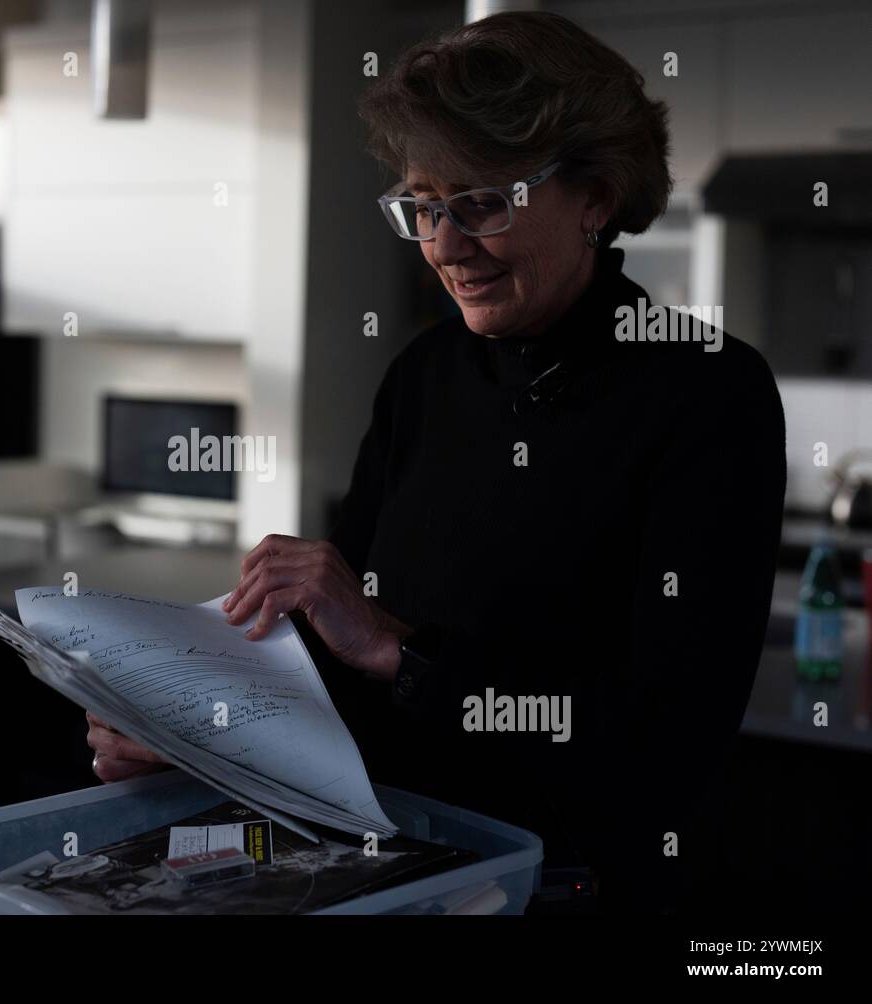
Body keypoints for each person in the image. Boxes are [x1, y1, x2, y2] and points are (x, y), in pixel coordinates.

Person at [86, 11, 786, 914]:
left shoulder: (707, 394)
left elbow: (664, 735)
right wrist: (190, 722)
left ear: (597, 196)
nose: (445, 247)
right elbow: (334, 666)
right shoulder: (425, 373)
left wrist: (399, 649)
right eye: (422, 205)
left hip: (573, 886)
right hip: (396, 869)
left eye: (483, 203)